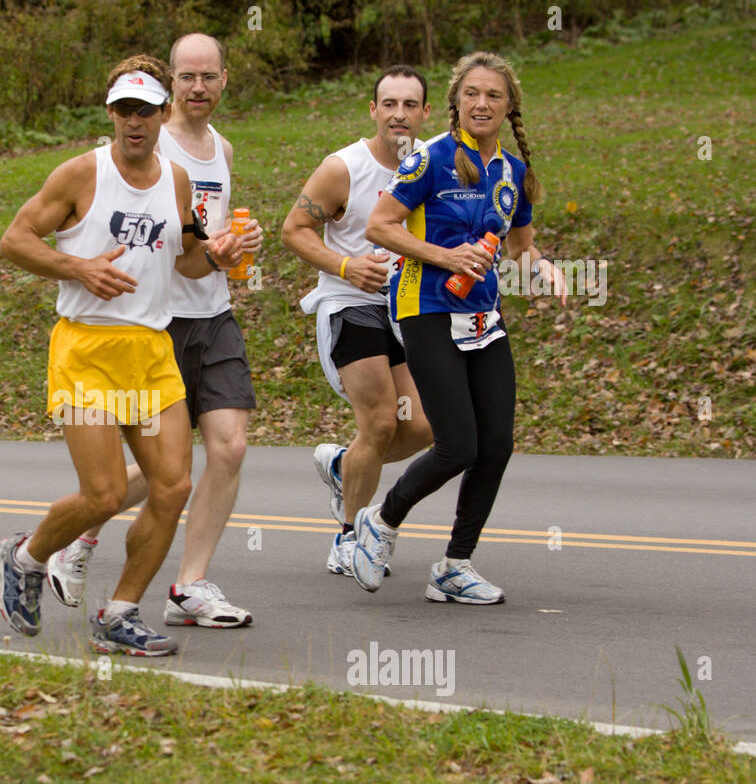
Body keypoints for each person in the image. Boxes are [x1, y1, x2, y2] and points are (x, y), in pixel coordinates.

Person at [0, 54, 244, 656]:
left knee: (173, 485)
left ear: (164, 113)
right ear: (111, 113)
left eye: (145, 111)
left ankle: (121, 611)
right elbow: (14, 241)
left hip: (152, 350)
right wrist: (76, 266)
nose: (135, 122)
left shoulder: (175, 180)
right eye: (124, 110)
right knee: (104, 494)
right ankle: (26, 556)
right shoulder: (81, 174)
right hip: (87, 347)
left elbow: (183, 256)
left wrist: (217, 255)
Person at [44, 33, 263, 630]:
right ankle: (77, 539)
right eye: (187, 77)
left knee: (224, 449)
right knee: (141, 477)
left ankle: (187, 586)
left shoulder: (220, 148)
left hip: (209, 312)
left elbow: (197, 238)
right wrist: (82, 267)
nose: (198, 87)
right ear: (169, 83)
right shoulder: (134, 144)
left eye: (208, 76)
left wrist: (229, 250)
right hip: (152, 324)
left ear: (223, 80)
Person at [355, 51, 567, 603]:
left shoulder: (512, 172)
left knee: (496, 445)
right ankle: (380, 521)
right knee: (458, 445)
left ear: (508, 106)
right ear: (455, 102)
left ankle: (455, 565)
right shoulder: (430, 160)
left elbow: (519, 246)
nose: (482, 103)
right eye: (472, 93)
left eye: (493, 95)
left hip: (484, 317)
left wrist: (540, 265)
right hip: (424, 309)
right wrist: (445, 258)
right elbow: (380, 226)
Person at [281, 65, 434, 578]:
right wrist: (347, 266)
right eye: (389, 104)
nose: (399, 114)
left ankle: (346, 466)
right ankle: (348, 538)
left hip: (407, 309)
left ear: (425, 113)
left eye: (409, 105)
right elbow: (295, 229)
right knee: (381, 421)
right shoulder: (342, 168)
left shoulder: (432, 163)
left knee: (424, 427)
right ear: (373, 110)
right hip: (351, 305)